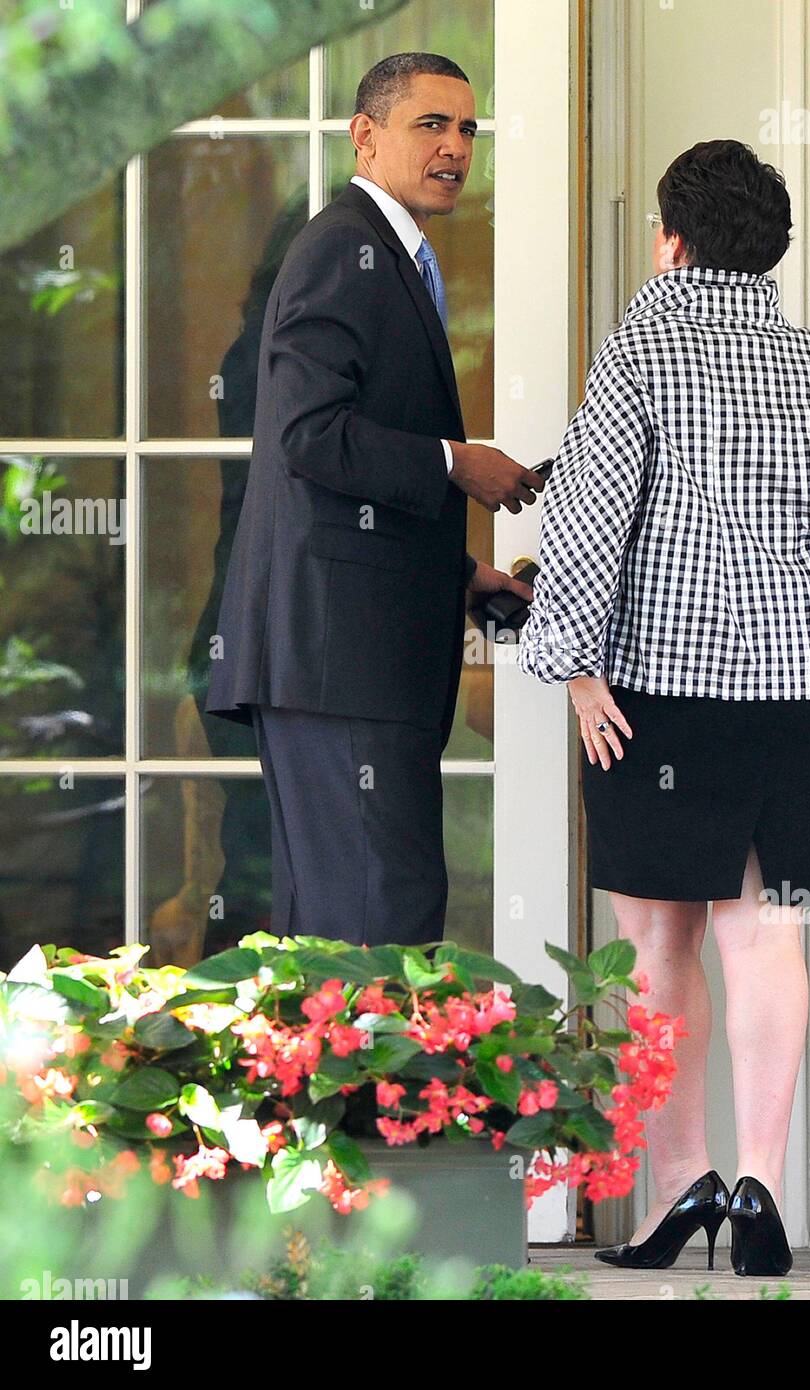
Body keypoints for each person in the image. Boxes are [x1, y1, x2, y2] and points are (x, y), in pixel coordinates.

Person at [518, 139, 810, 1276]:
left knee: (655, 938)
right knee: (767, 926)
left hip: (662, 691)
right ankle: (763, 1191)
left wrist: (576, 666)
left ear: (671, 239)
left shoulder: (641, 345)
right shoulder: (808, 361)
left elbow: (589, 518)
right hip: (797, 686)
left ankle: (675, 1185)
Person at [205, 53, 542, 946]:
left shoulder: (392, 250)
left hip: (355, 653)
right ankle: (364, 1093)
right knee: (375, 928)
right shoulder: (341, 247)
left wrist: (461, 571)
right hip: (335, 659)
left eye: (467, 129)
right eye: (431, 125)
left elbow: (345, 467)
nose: (455, 148)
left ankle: (346, 1091)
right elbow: (306, 435)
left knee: (357, 924)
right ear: (366, 135)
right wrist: (455, 462)